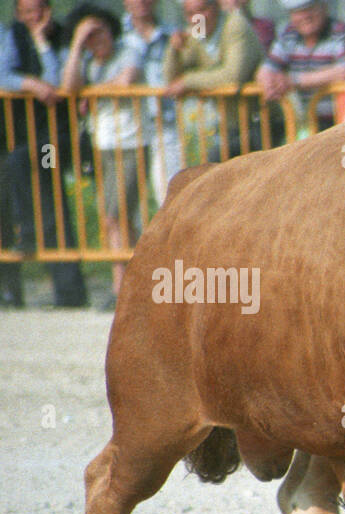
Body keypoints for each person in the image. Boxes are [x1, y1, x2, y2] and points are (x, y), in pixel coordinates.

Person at [0, 0, 87, 306]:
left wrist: (41, 44)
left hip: (53, 141)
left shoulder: (63, 36)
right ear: (18, 14)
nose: (34, 17)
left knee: (47, 197)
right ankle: (66, 293)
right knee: (39, 197)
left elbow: (55, 82)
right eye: (27, 12)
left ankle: (32, 233)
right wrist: (30, 84)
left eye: (38, 9)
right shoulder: (13, 36)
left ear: (48, 9)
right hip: (24, 138)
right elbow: (3, 74)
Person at [61, 3, 143, 309]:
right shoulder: (87, 62)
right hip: (103, 145)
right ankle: (131, 284)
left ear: (111, 29)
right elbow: (69, 88)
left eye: (99, 31)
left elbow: (126, 80)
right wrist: (77, 44)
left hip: (132, 143)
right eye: (89, 35)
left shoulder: (128, 49)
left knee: (115, 215)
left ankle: (124, 289)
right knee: (117, 219)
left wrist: (92, 92)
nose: (96, 39)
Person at [162, 0, 264, 159]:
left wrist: (187, 81)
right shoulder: (199, 29)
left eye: (203, 9)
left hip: (259, 122)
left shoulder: (235, 25)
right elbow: (172, 81)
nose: (198, 17)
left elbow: (232, 76)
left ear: (216, 6)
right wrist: (173, 50)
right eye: (190, 13)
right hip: (228, 126)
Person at [257, 0, 345, 133]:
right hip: (307, 124)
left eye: (309, 9)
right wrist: (269, 83)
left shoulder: (340, 31)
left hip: (342, 123)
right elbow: (267, 67)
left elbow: (344, 71)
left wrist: (293, 81)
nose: (305, 16)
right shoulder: (289, 34)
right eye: (297, 12)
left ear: (323, 7)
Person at [121, 0, 180, 207]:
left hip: (164, 123)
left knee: (170, 198)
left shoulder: (174, 34)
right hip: (126, 128)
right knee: (126, 205)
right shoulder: (114, 34)